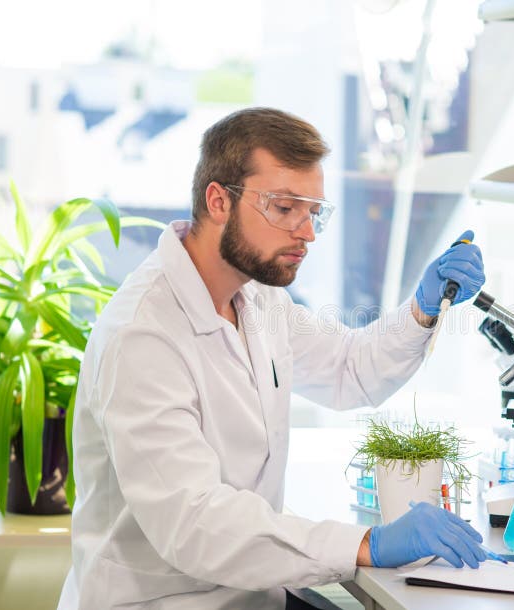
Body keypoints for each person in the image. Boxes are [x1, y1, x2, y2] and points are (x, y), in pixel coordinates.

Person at [57, 107, 487, 610]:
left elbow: (350, 370)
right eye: (285, 208)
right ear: (218, 200)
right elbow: (196, 524)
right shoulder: (143, 336)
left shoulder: (258, 298)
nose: (306, 232)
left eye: (313, 212)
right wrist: (367, 544)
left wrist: (421, 308)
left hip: (252, 596)